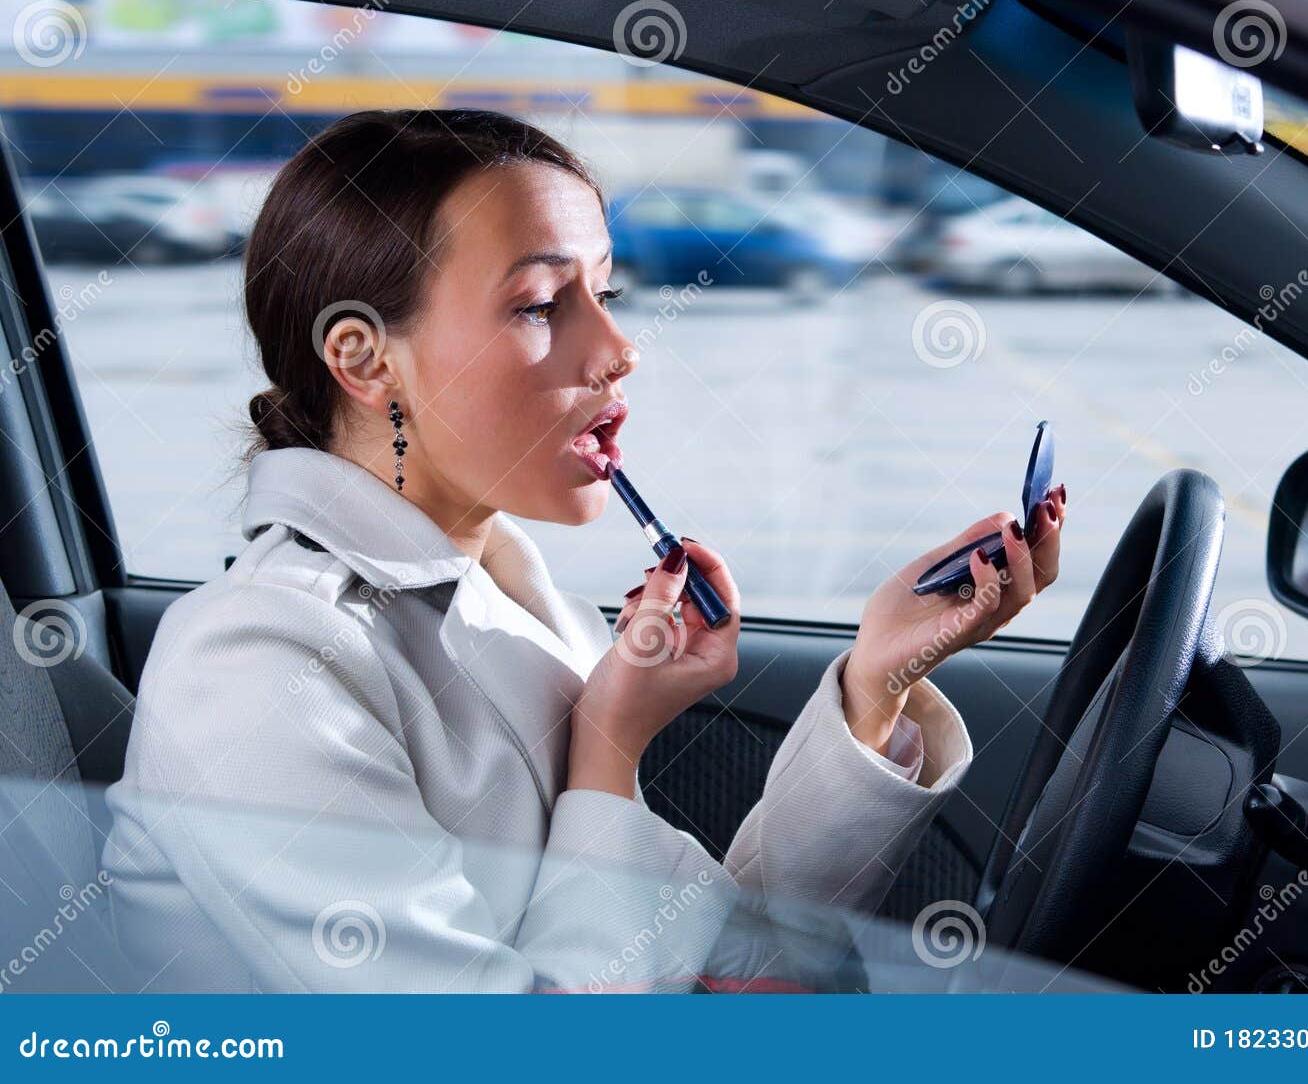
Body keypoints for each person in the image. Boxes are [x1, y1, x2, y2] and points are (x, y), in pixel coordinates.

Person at [102, 109, 1066, 991]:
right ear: (362, 359)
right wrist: (606, 750)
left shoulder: (509, 589)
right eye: (538, 306)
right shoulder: (258, 667)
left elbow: (707, 949)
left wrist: (874, 688)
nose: (617, 349)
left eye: (604, 292)